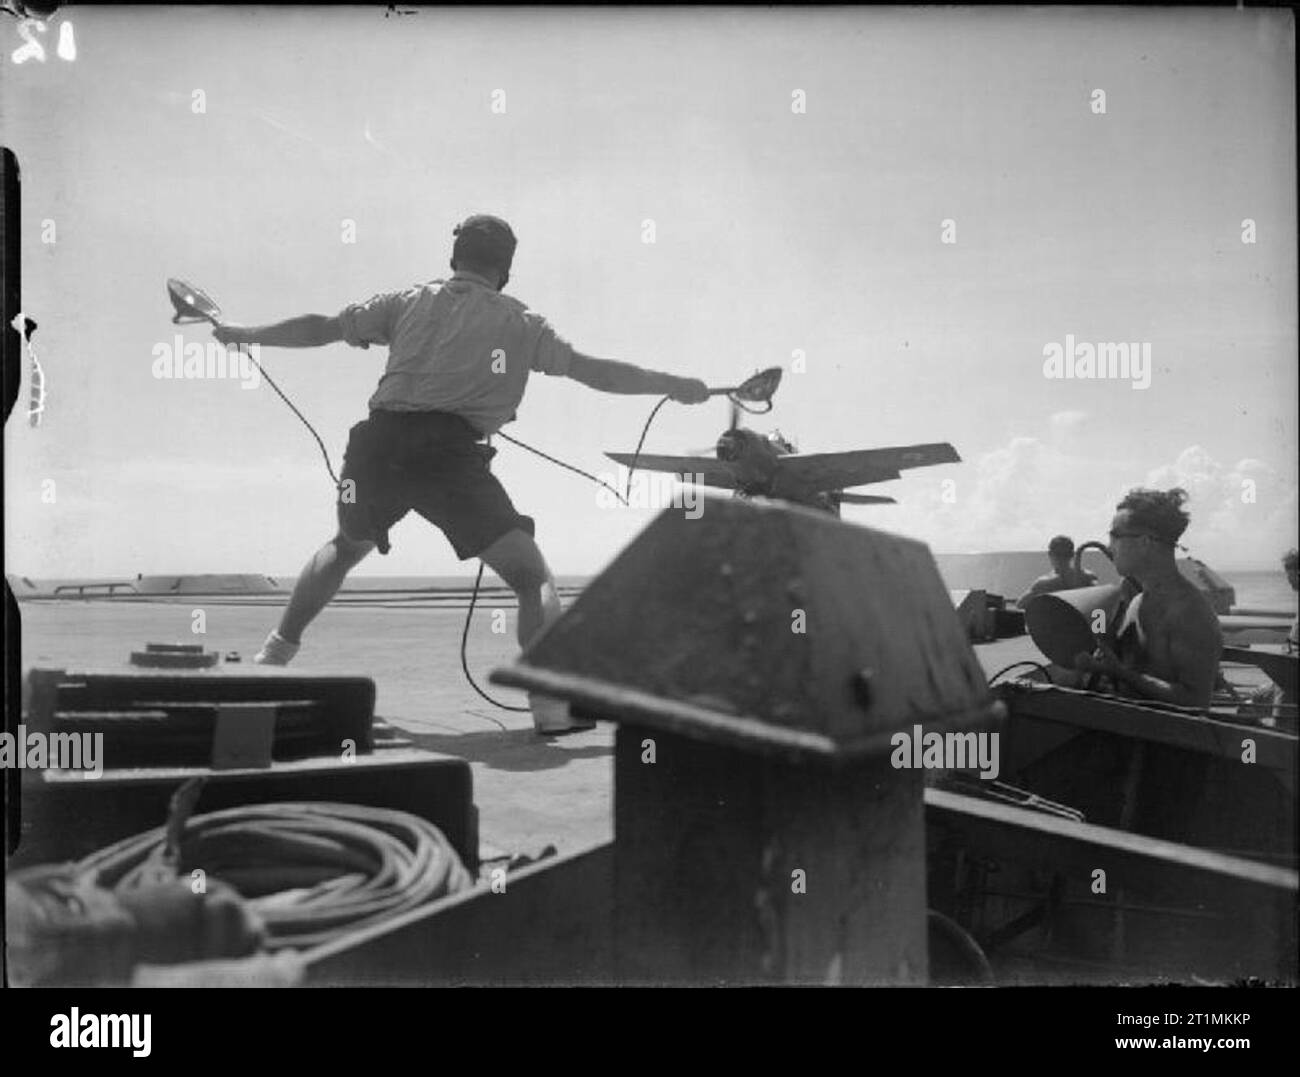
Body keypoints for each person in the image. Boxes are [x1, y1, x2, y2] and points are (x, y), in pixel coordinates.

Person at [212, 214, 709, 734]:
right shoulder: (522, 324)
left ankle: (271, 661)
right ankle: (550, 708)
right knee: (529, 576)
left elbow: (323, 328)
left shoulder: (407, 301)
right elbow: (598, 372)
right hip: (447, 455)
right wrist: (672, 383)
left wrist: (244, 333)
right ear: (507, 268)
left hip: (377, 444)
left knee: (343, 548)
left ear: (456, 257)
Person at [1073, 487, 1222, 709]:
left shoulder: (1189, 613)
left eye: (1115, 535)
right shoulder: (1136, 601)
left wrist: (1121, 673)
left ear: (1145, 542)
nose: (1108, 546)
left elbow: (1195, 701)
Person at [1016, 535, 1097, 608]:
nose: (1061, 558)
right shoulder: (1043, 584)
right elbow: (1020, 605)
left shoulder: (1043, 584)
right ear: (1050, 554)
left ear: (1072, 555)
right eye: (1058, 554)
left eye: (1066, 554)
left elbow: (1020, 605)